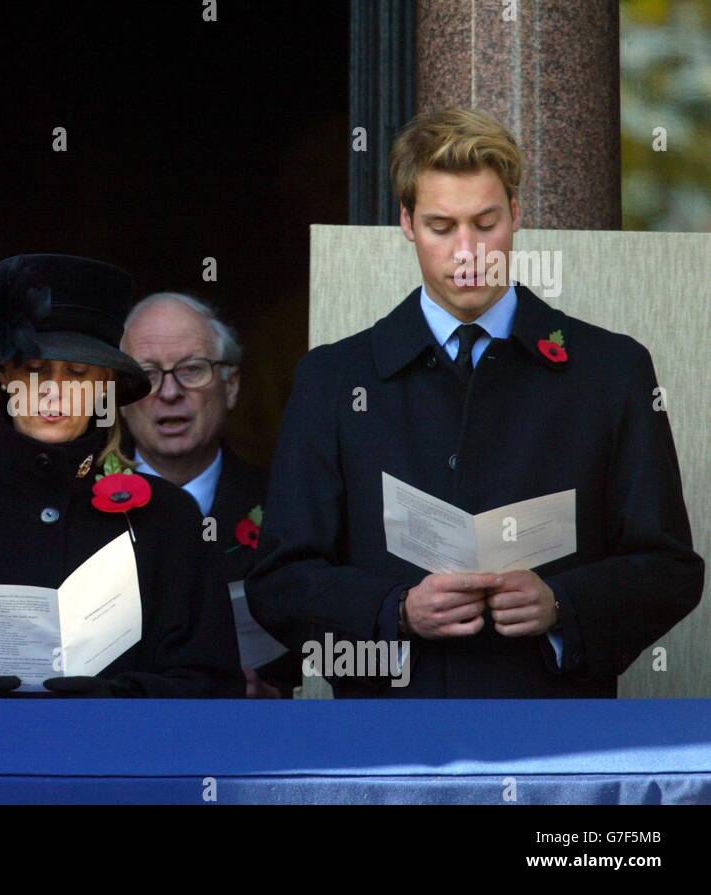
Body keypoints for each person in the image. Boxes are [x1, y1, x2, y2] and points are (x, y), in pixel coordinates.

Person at [246, 107, 704, 697]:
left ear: (516, 215)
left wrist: (563, 604)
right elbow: (279, 582)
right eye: (442, 227)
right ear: (406, 223)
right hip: (389, 743)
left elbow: (668, 568)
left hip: (557, 741)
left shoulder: (613, 369)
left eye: (485, 223)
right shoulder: (332, 378)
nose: (468, 253)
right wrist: (398, 610)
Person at [0, 254, 244, 697]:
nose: (54, 393)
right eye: (34, 372)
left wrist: (121, 700)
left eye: (77, 373)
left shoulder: (169, 519)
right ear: (4, 378)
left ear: (104, 386)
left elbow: (213, 687)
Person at [120, 292, 299, 697]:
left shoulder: (287, 506)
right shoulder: (79, 505)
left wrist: (273, 695)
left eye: (193, 369)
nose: (168, 392)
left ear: (231, 386)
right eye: (146, 374)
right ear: (119, 398)